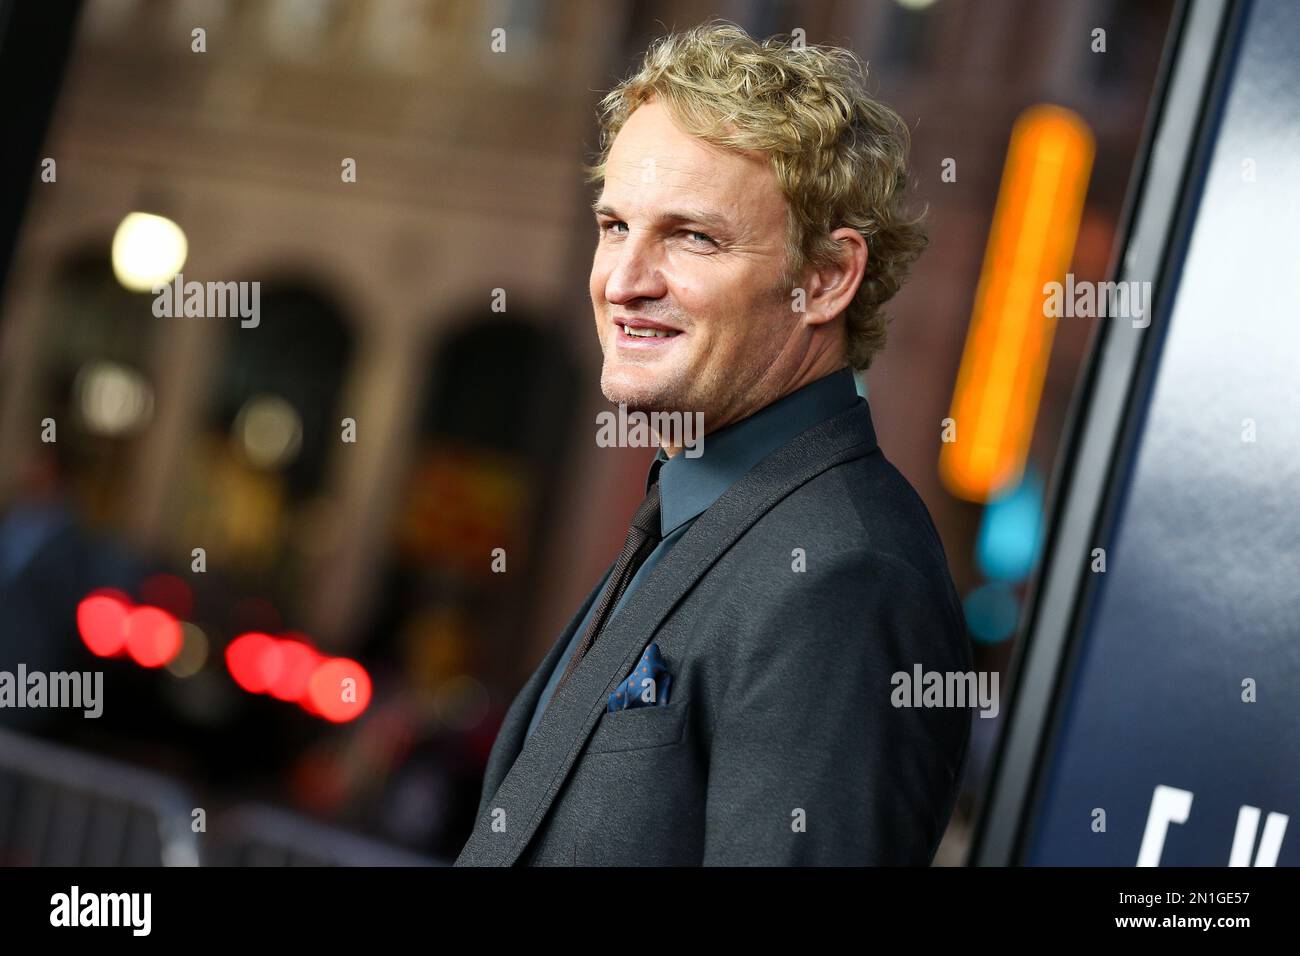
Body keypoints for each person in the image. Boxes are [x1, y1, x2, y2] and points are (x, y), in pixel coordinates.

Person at [456, 21, 971, 866]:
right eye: (615, 225)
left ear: (825, 278)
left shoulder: (846, 575)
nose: (625, 282)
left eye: (693, 236)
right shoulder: (698, 510)